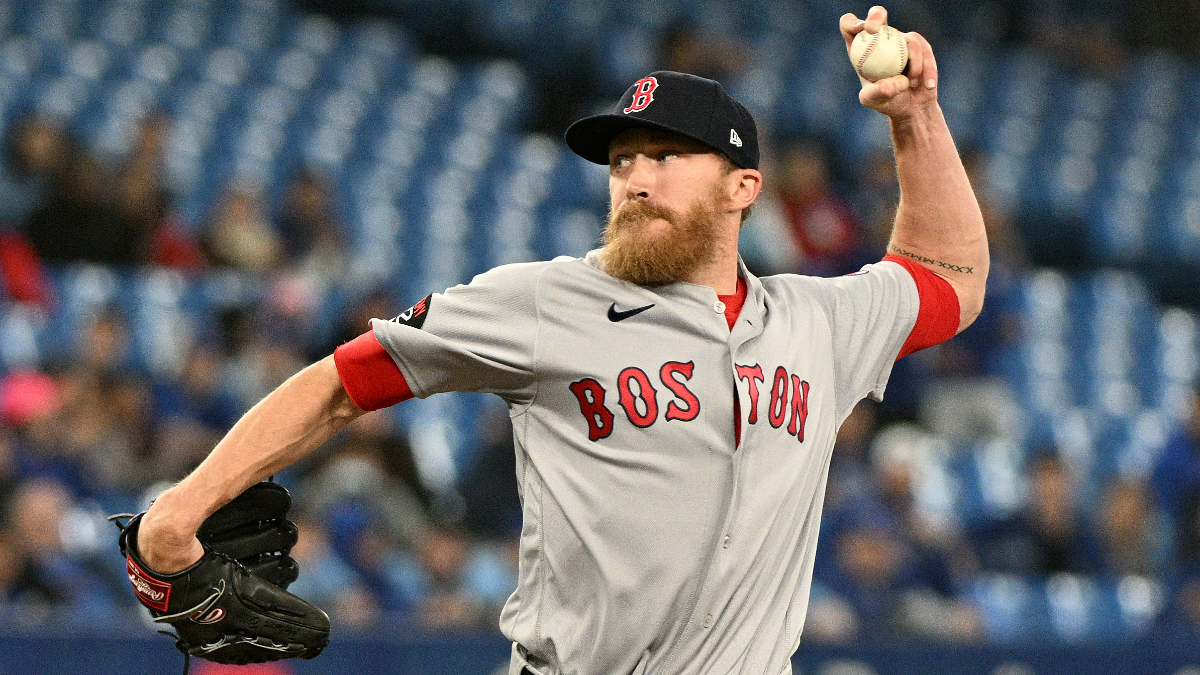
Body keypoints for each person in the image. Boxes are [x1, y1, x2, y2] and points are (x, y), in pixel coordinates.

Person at [132, 7, 988, 674]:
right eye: (622, 160)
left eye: (666, 156)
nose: (636, 179)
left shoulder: (817, 322)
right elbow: (340, 381)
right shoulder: (547, 300)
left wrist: (915, 116)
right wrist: (182, 508)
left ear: (743, 187)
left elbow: (948, 275)